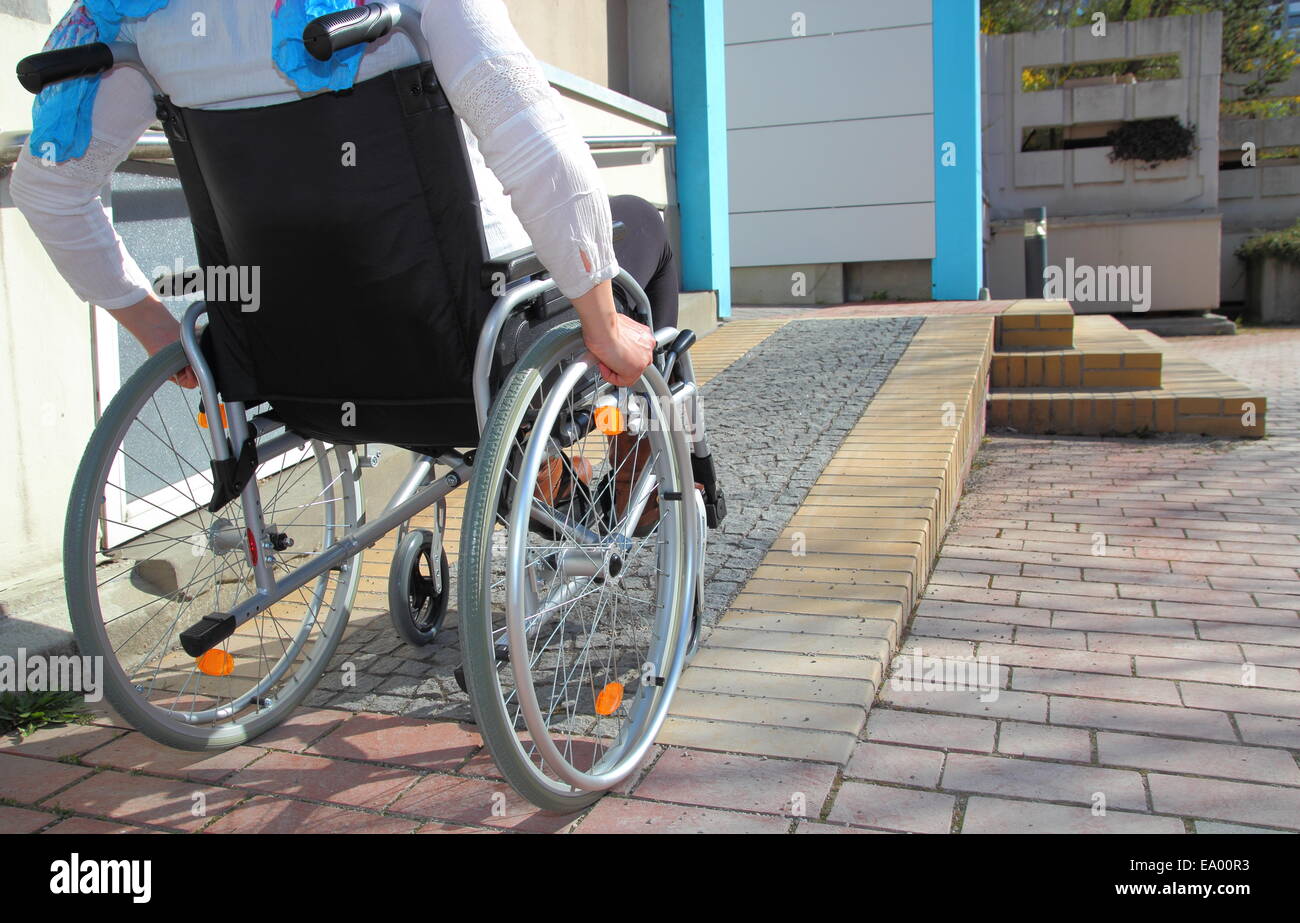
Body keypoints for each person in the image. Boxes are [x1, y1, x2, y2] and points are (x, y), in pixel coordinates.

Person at [11, 0, 679, 392]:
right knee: (641, 226)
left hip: (279, 352)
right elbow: (536, 147)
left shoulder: (138, 19)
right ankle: (637, 461)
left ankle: (556, 481)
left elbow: (48, 191)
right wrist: (602, 323)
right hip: (452, 332)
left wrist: (162, 337)